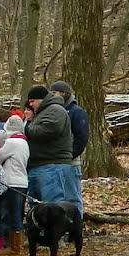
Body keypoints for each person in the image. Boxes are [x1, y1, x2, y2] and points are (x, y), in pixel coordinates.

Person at [24, 83, 78, 210]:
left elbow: (47, 131)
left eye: (32, 101)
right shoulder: (42, 112)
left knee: (52, 206)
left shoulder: (55, 110)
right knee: (38, 206)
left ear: (41, 99)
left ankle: (55, 229)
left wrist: (29, 126)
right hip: (39, 165)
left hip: (52, 165)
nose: (30, 105)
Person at [0, 114, 30, 252]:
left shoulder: (11, 142)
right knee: (18, 213)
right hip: (23, 182)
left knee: (11, 214)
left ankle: (14, 246)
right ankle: (18, 243)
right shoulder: (24, 142)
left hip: (11, 182)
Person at [52, 80, 90, 214]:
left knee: (72, 197)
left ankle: (76, 226)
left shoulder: (76, 112)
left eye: (54, 93)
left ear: (63, 93)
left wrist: (70, 155)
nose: (51, 96)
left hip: (71, 163)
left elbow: (81, 137)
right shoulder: (54, 112)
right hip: (56, 162)